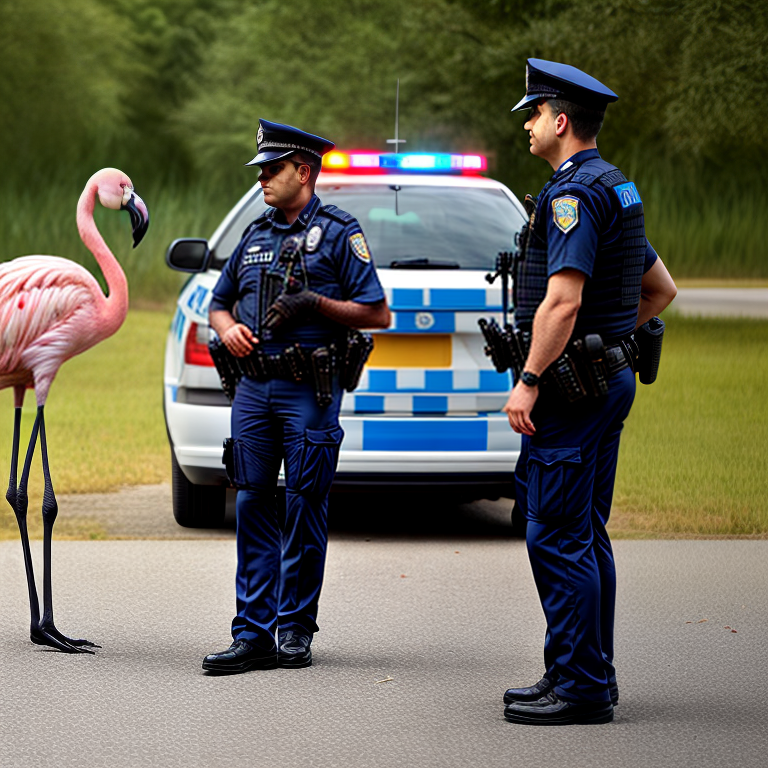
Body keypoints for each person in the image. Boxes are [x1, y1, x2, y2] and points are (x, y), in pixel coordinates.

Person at [500, 60, 677, 724]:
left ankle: (580, 687)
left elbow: (563, 301)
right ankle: (579, 673)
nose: (529, 126)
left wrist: (532, 378)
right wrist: (607, 339)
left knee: (554, 533)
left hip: (572, 394)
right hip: (606, 381)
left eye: (534, 115)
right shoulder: (618, 188)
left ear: (561, 121)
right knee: (583, 532)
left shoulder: (572, 195)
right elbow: (660, 290)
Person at [203, 119, 391, 674]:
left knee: (305, 504)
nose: (262, 178)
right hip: (253, 390)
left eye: (272, 169)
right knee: (253, 504)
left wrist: (315, 305)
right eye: (260, 169)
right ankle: (252, 633)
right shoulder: (255, 233)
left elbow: (377, 312)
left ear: (303, 172)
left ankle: (294, 629)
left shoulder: (338, 231)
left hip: (309, 389)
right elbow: (219, 301)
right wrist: (226, 327)